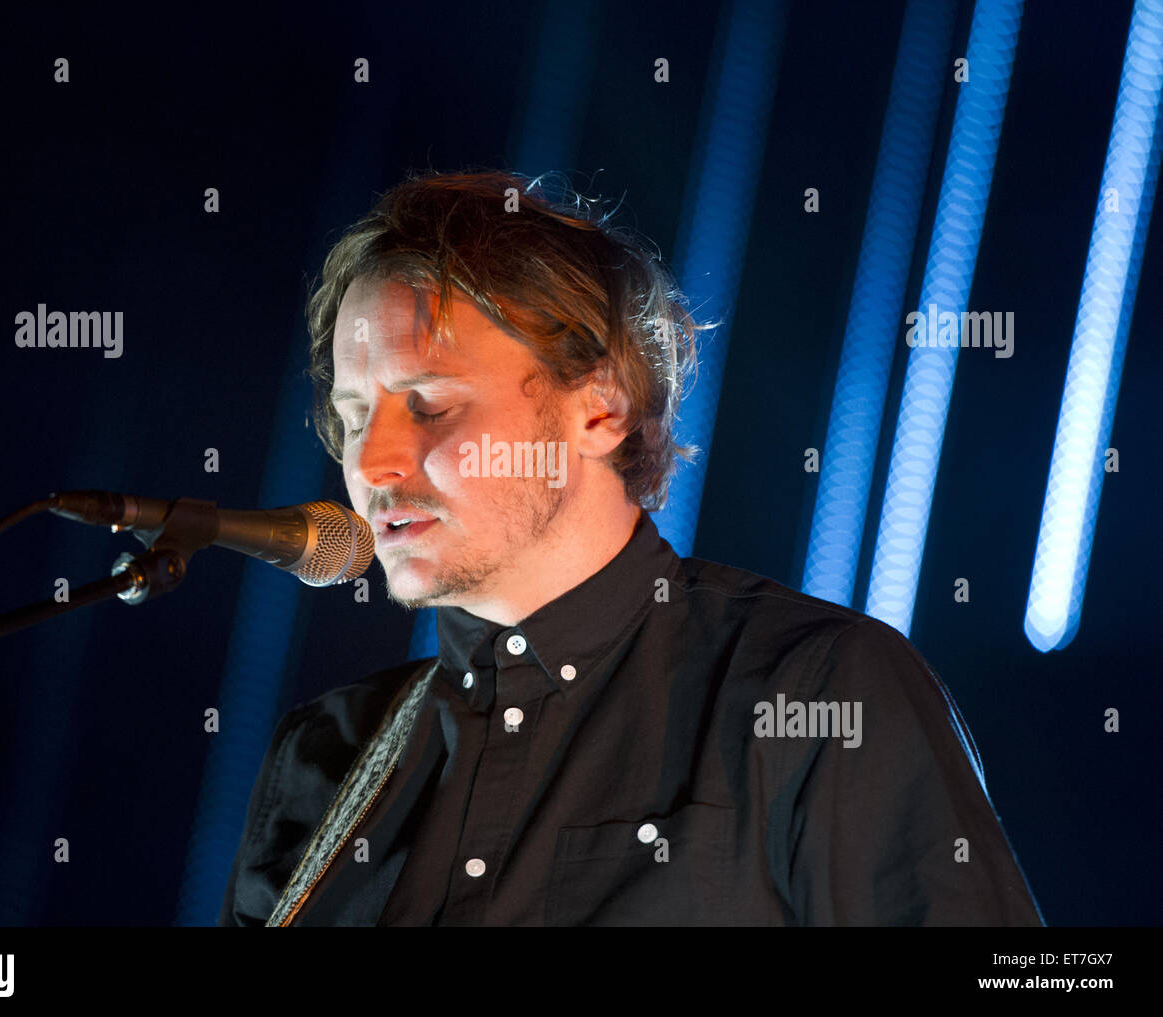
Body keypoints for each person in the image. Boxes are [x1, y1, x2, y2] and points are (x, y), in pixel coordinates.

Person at [217, 168, 1044, 926]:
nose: (368, 462)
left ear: (601, 407)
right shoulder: (327, 753)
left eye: (428, 405)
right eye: (356, 415)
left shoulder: (818, 688)